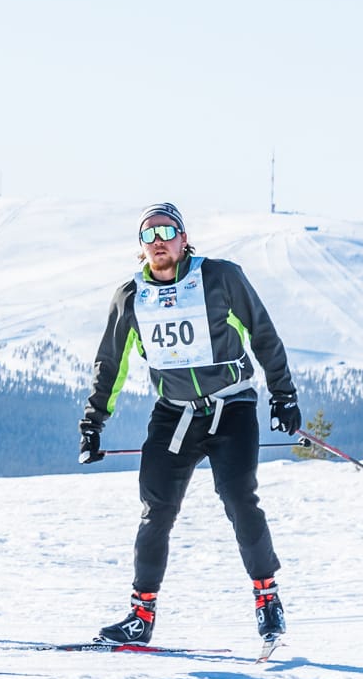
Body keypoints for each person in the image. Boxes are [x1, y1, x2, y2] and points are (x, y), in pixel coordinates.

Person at [80, 202, 299, 647]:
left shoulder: (220, 277)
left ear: (184, 239)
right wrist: (93, 422)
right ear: (141, 246)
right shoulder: (131, 296)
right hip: (174, 414)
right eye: (149, 234)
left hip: (231, 406)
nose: (158, 241)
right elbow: (111, 363)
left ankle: (267, 600)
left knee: (239, 499)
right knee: (155, 511)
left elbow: (262, 333)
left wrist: (283, 394)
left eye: (167, 231)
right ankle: (140, 616)